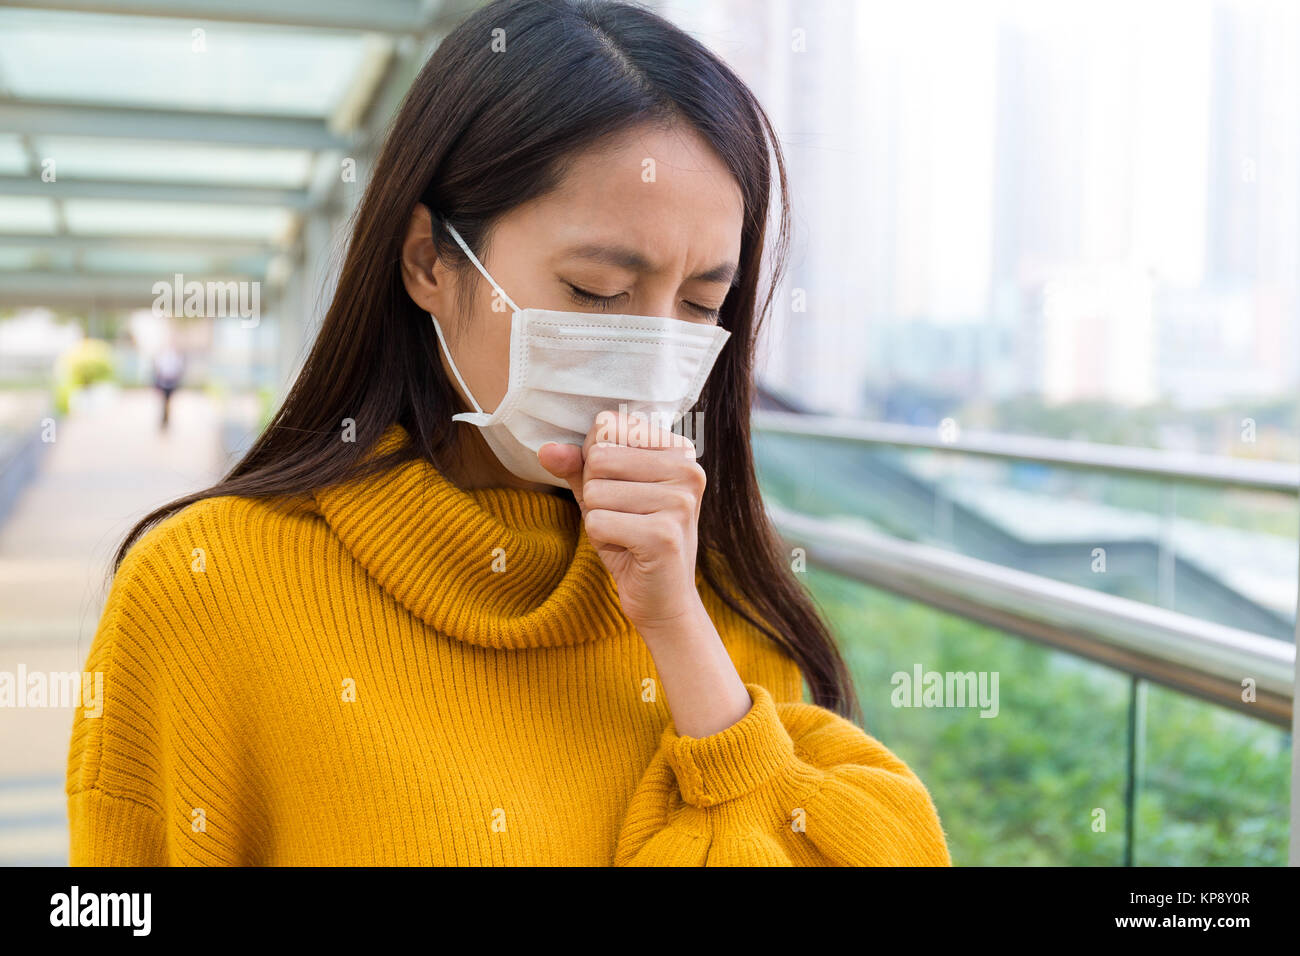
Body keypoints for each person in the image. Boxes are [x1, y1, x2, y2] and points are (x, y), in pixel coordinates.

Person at [68, 0, 952, 866]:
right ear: (429, 261)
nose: (649, 362)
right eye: (597, 290)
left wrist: (681, 634)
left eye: (698, 305)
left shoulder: (723, 600)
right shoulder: (205, 590)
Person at [151, 344, 183, 430]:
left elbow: (177, 370)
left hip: (170, 382)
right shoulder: (164, 358)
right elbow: (158, 370)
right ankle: (164, 419)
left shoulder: (174, 358)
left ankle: (166, 419)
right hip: (164, 382)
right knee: (165, 402)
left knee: (167, 402)